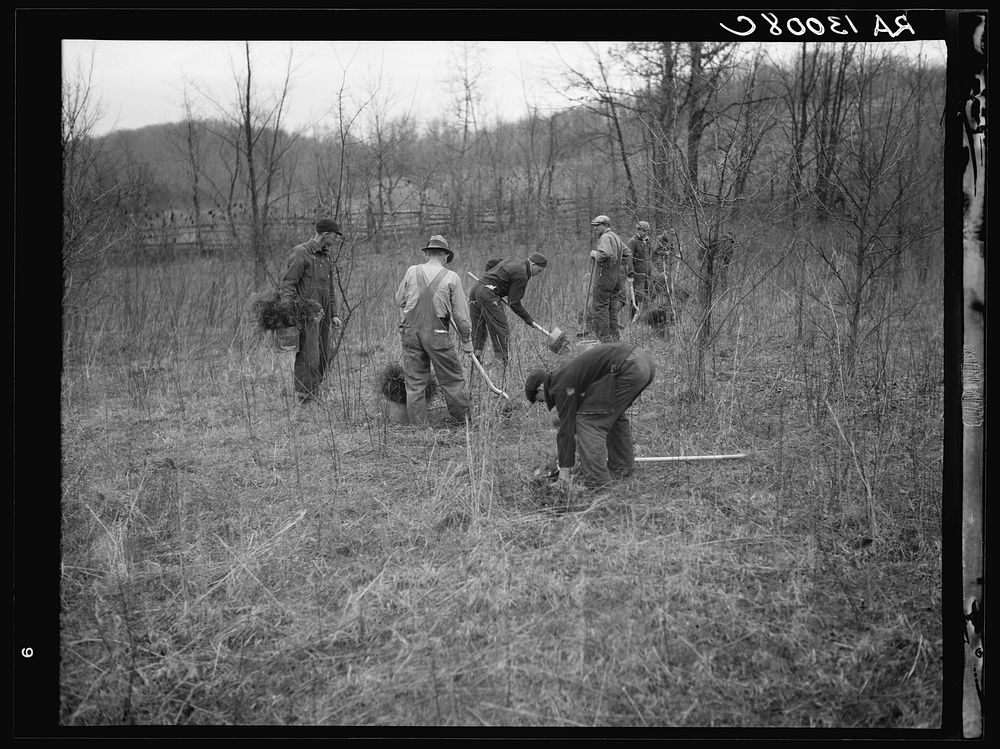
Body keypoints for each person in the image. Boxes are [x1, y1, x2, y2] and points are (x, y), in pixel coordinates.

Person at [524, 342, 656, 489]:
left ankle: (597, 483)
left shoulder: (559, 386)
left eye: (539, 399)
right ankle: (621, 468)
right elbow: (576, 417)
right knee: (611, 416)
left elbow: (566, 433)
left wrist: (564, 475)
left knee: (588, 423)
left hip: (629, 366)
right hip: (643, 361)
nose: (542, 402)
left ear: (541, 387)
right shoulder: (566, 376)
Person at [394, 235, 474, 427]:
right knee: (451, 379)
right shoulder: (451, 277)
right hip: (437, 334)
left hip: (410, 333)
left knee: (415, 382)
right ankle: (461, 422)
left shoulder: (412, 271)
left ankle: (418, 426)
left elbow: (399, 300)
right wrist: (467, 340)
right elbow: (461, 316)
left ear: (427, 254)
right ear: (445, 256)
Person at [278, 217, 344, 404]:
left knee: (322, 355)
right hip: (305, 314)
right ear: (325, 234)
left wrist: (335, 314)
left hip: (323, 316)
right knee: (308, 355)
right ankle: (304, 398)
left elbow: (329, 289)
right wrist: (287, 312)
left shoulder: (325, 258)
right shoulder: (301, 253)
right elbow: (288, 284)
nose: (336, 239)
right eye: (334, 235)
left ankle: (314, 392)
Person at [469, 252, 548, 378]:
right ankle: (503, 369)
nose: (539, 273)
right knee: (501, 330)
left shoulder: (514, 260)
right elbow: (514, 302)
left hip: (476, 289)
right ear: (533, 264)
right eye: (540, 270)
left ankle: (476, 364)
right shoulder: (522, 274)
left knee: (479, 329)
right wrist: (529, 320)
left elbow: (491, 263)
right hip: (488, 295)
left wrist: (490, 281)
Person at [586, 215, 632, 342]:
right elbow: (627, 253)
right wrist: (616, 267)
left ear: (606, 225)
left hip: (604, 279)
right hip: (615, 280)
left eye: (598, 225)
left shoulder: (605, 237)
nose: (595, 228)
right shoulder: (615, 237)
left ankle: (604, 340)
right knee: (611, 309)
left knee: (600, 309)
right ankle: (615, 338)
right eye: (594, 226)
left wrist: (595, 254)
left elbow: (605, 253)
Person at [627, 220, 653, 307]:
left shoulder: (648, 241)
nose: (646, 233)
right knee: (636, 295)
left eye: (647, 231)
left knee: (648, 293)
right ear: (638, 230)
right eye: (644, 230)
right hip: (637, 274)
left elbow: (649, 256)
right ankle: (633, 315)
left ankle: (644, 316)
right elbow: (629, 258)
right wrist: (630, 272)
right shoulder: (632, 242)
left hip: (647, 273)